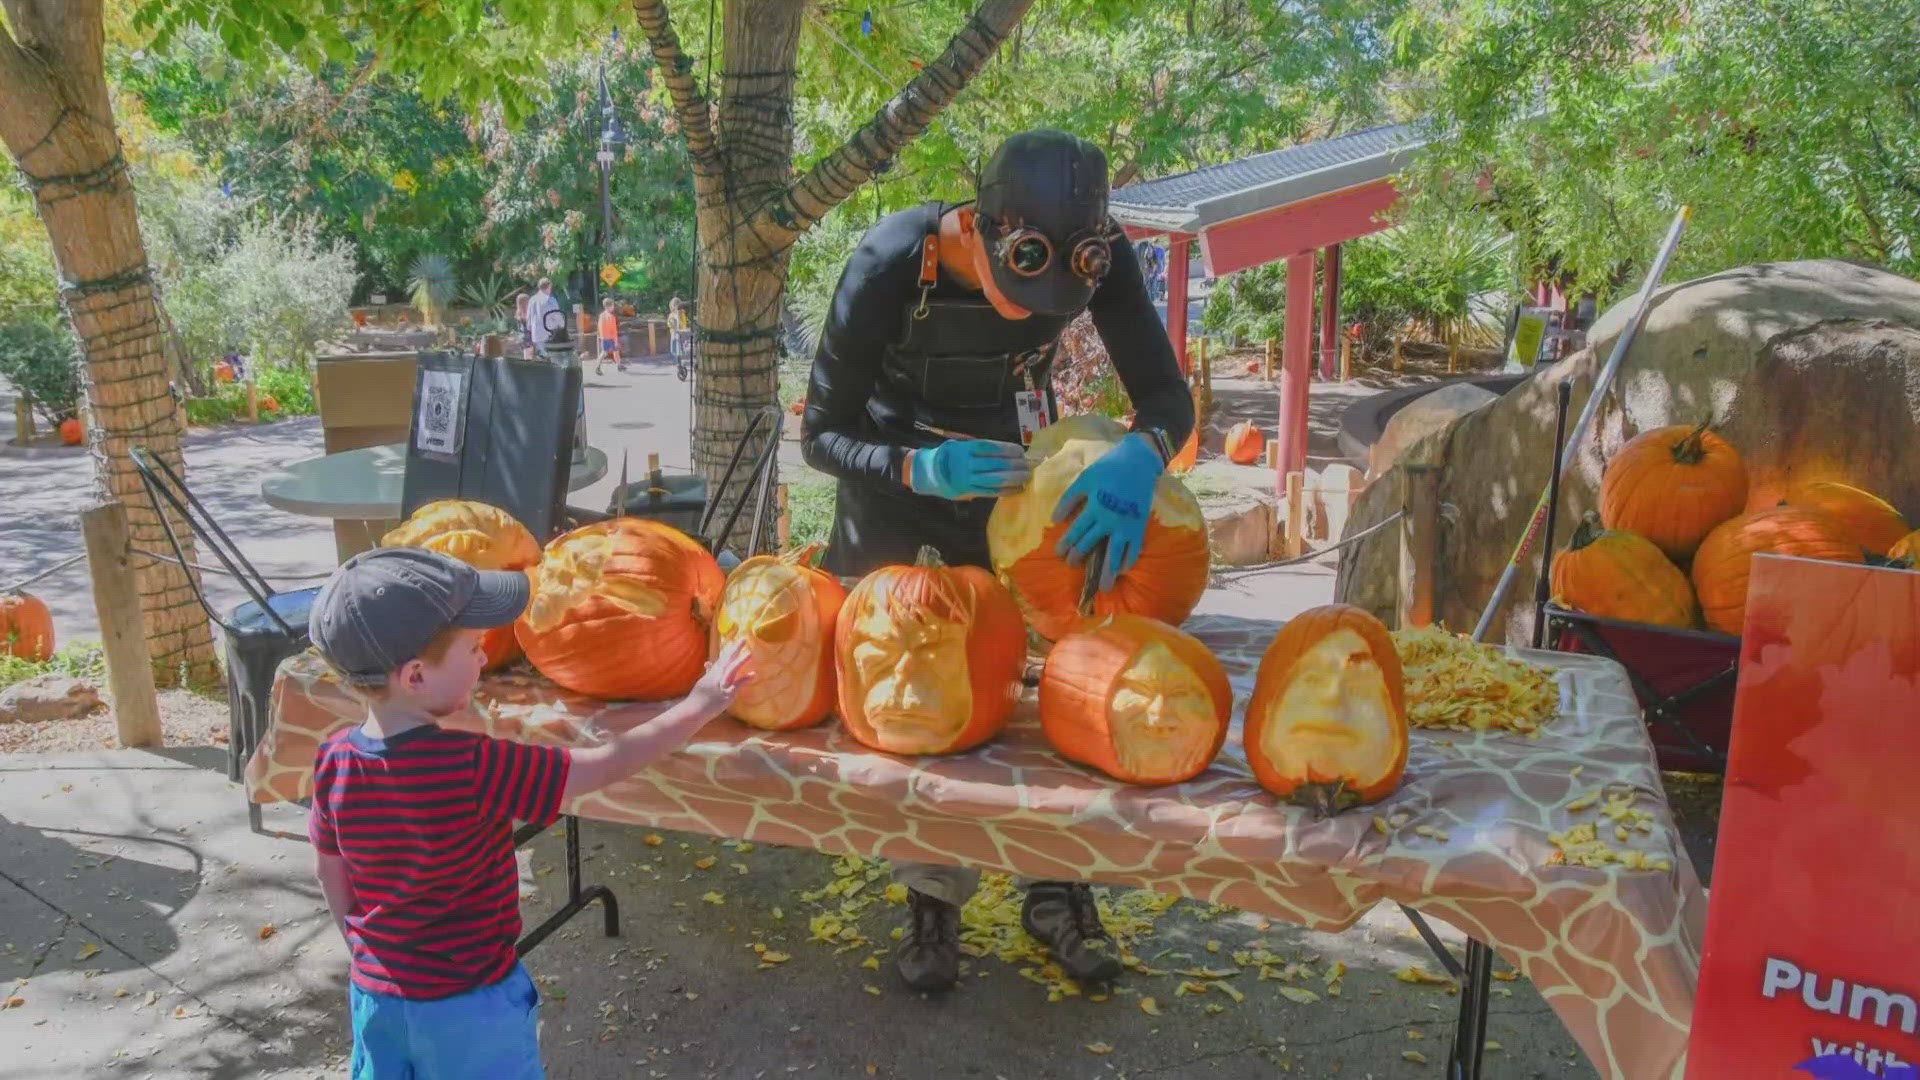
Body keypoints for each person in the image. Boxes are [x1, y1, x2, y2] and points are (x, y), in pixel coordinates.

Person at [799, 129, 1194, 994]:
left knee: (1057, 696)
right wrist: (914, 466)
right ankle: (932, 896)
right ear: (976, 228)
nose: (1029, 310)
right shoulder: (891, 260)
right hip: (895, 487)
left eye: (1055, 294)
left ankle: (1057, 890)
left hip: (1022, 495)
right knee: (928, 704)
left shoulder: (1105, 257)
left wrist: (1143, 453)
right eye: (1016, 284)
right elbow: (818, 436)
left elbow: (1167, 396)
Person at [306, 547, 753, 1079]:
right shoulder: (476, 766)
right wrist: (701, 703)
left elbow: (330, 868)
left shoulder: (333, 759)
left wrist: (363, 949)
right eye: (473, 648)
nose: (481, 658)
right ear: (416, 677)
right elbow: (604, 766)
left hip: (376, 995)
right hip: (471, 1005)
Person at [524, 278, 561, 359]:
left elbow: (529, 318)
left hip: (536, 333)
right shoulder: (550, 300)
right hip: (549, 333)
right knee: (551, 356)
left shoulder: (532, 299)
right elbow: (556, 316)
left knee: (541, 355)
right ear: (549, 286)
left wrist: (530, 330)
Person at [595, 297, 624, 375]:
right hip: (611, 337)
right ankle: (618, 366)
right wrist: (616, 340)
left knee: (611, 352)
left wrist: (600, 335)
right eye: (612, 306)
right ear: (608, 306)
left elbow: (599, 326)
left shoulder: (601, 315)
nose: (613, 307)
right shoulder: (611, 317)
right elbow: (613, 329)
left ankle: (618, 365)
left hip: (604, 337)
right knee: (610, 352)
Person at [667, 296, 692, 381]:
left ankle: (685, 362)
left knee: (684, 349)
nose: (678, 308)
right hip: (675, 336)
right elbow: (674, 327)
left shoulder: (682, 314)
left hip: (683, 335)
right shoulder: (671, 316)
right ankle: (679, 365)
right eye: (675, 306)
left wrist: (681, 316)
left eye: (678, 306)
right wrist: (676, 316)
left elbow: (684, 325)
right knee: (676, 351)